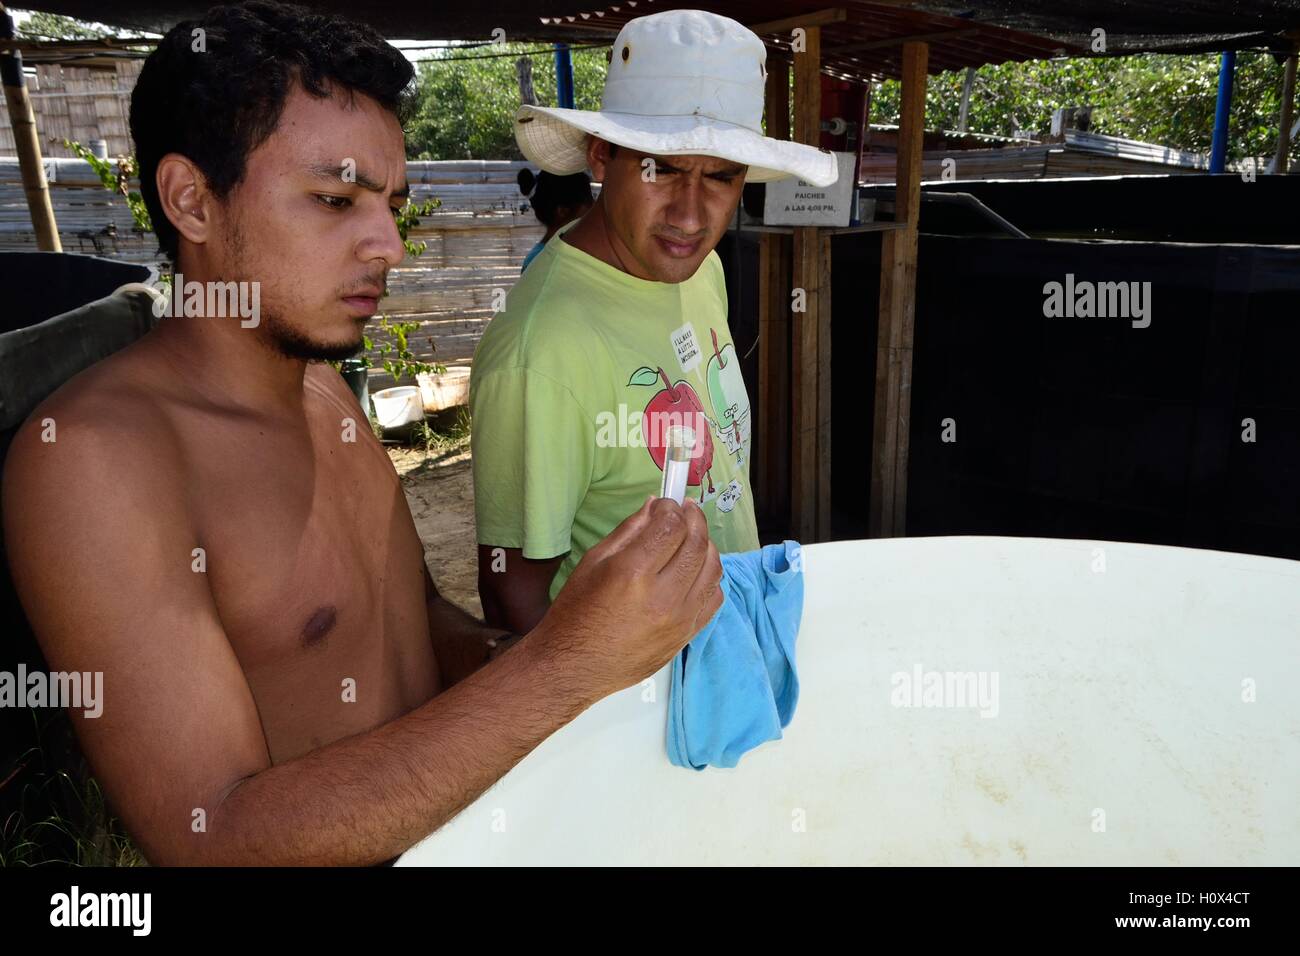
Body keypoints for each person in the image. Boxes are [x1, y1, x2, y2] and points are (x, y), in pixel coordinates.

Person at [1, 0, 722, 866]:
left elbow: (415, 621)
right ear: (191, 200)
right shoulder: (96, 461)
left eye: (391, 204)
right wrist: (563, 665)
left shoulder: (325, 397)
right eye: (336, 199)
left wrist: (589, 652)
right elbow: (212, 833)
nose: (389, 245)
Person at [472, 9, 837, 635]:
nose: (691, 215)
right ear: (601, 157)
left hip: (724, 647)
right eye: (660, 169)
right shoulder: (543, 350)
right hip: (631, 700)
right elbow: (514, 595)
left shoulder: (702, 272)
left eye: (720, 177)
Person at [516, 168, 593, 273]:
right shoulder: (543, 262)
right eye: (588, 211)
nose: (591, 218)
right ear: (562, 212)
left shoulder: (544, 257)